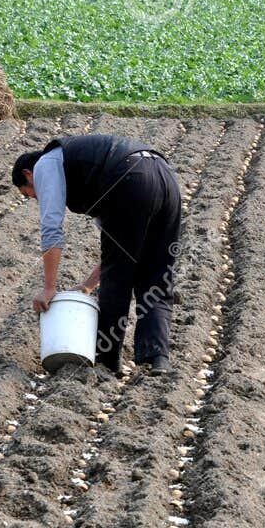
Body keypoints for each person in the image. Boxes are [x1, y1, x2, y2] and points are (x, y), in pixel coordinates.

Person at [13, 135, 182, 376]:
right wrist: (87, 286)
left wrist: (49, 287)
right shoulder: (95, 168)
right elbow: (117, 246)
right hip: (165, 178)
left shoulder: (45, 163)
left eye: (29, 194)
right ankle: (158, 358)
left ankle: (107, 360)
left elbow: (51, 226)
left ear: (29, 174)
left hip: (131, 179)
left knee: (118, 278)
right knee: (156, 273)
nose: (36, 198)